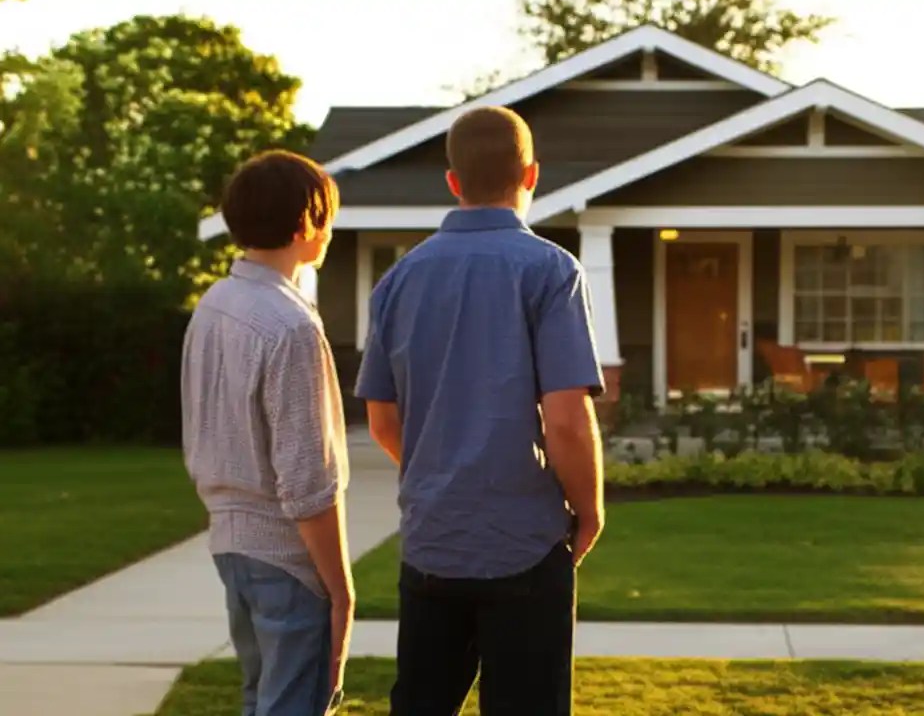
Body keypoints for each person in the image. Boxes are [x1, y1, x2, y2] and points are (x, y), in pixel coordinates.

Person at [356, 106, 606, 715]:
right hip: (524, 543)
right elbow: (568, 420)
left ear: (452, 180)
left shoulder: (398, 280)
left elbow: (384, 422)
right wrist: (590, 509)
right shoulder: (551, 271)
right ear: (532, 175)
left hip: (431, 542)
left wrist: (440, 471)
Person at [181, 150, 354, 716]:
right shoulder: (292, 325)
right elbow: (307, 479)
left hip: (230, 546)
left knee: (260, 700)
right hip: (285, 556)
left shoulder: (213, 305)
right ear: (307, 223)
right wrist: (340, 588)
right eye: (327, 218)